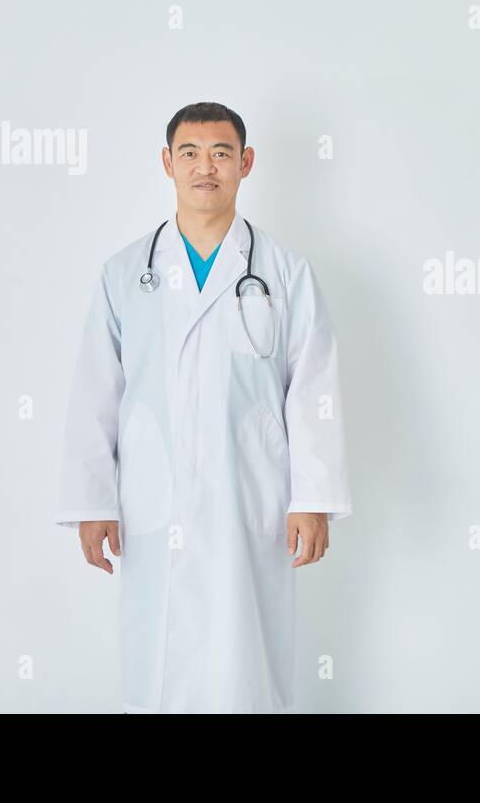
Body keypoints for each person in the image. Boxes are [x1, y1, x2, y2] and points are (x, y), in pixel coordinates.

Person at [55, 101, 352, 713]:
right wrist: (92, 502)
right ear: (167, 163)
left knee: (247, 658)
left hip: (252, 489)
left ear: (245, 163)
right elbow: (95, 392)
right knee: (158, 653)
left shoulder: (285, 272)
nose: (205, 168)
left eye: (221, 153)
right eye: (189, 153)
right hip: (151, 496)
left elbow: (313, 387)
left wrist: (314, 498)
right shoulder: (123, 274)